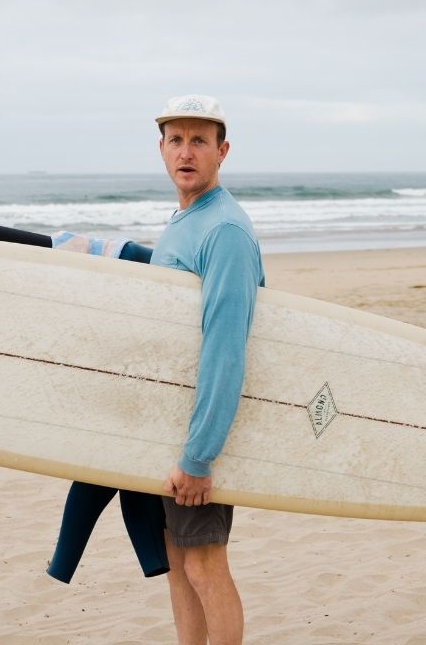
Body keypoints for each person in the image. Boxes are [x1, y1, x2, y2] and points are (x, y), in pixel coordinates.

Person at [153, 95, 264, 645]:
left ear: (223, 152)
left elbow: (225, 346)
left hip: (200, 437)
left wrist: (199, 456)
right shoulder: (186, 220)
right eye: (176, 140)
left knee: (203, 563)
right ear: (161, 149)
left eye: (199, 141)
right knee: (179, 561)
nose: (186, 152)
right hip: (172, 429)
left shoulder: (224, 231)